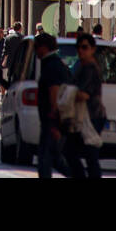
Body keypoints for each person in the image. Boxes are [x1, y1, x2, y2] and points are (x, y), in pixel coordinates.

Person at [64, 32, 104, 178]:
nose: (81, 50)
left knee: (88, 155)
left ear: (92, 49)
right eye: (79, 47)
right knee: (74, 152)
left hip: (91, 116)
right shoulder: (81, 66)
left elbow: (84, 94)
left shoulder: (90, 68)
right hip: (82, 116)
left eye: (85, 47)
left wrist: (67, 93)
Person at [34, 33, 70, 178]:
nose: (35, 51)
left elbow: (54, 92)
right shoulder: (53, 63)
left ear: (44, 47)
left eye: (37, 47)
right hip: (51, 120)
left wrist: (54, 121)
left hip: (52, 120)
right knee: (54, 158)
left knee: (45, 158)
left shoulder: (52, 65)